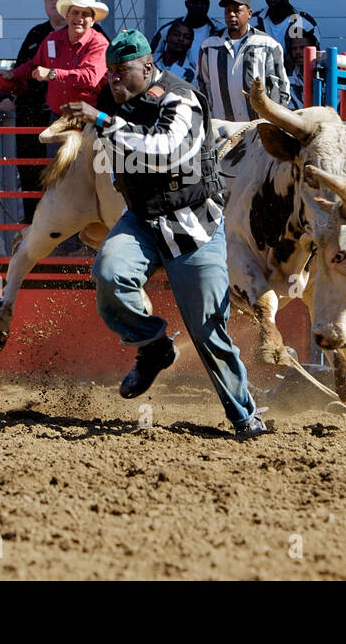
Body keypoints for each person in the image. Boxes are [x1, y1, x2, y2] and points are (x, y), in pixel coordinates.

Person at [59, 30, 267, 439]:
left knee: (209, 330)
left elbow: (165, 150)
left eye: (123, 72)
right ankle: (153, 345)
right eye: (110, 72)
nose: (115, 80)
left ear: (149, 67)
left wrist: (102, 120)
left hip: (193, 224)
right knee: (109, 271)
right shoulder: (108, 101)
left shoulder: (180, 97)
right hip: (141, 218)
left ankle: (245, 415)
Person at [7, 0, 75, 222]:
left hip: (68, 114)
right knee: (30, 171)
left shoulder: (91, 34)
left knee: (67, 174)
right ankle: (31, 228)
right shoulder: (37, 33)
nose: (53, 2)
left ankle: (69, 237)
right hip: (33, 112)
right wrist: (13, 77)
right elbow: (25, 68)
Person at [0, 0, 111, 117]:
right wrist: (13, 73)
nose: (79, 18)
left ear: (92, 21)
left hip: (88, 117)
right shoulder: (52, 39)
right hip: (59, 114)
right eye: (75, 12)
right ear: (67, 16)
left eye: (85, 14)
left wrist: (52, 73)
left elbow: (90, 77)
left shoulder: (99, 43)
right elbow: (35, 64)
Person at [197, 0, 291, 120]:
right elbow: (204, 86)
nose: (231, 15)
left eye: (237, 11)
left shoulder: (267, 45)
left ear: (249, 14)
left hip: (257, 127)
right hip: (222, 127)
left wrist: (274, 121)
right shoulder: (209, 46)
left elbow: (279, 88)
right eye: (227, 11)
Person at [150, 0, 222, 75]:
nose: (199, 6)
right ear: (187, 4)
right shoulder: (167, 30)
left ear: (208, 5)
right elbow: (151, 57)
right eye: (195, 2)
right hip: (174, 82)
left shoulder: (219, 31)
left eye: (203, 2)